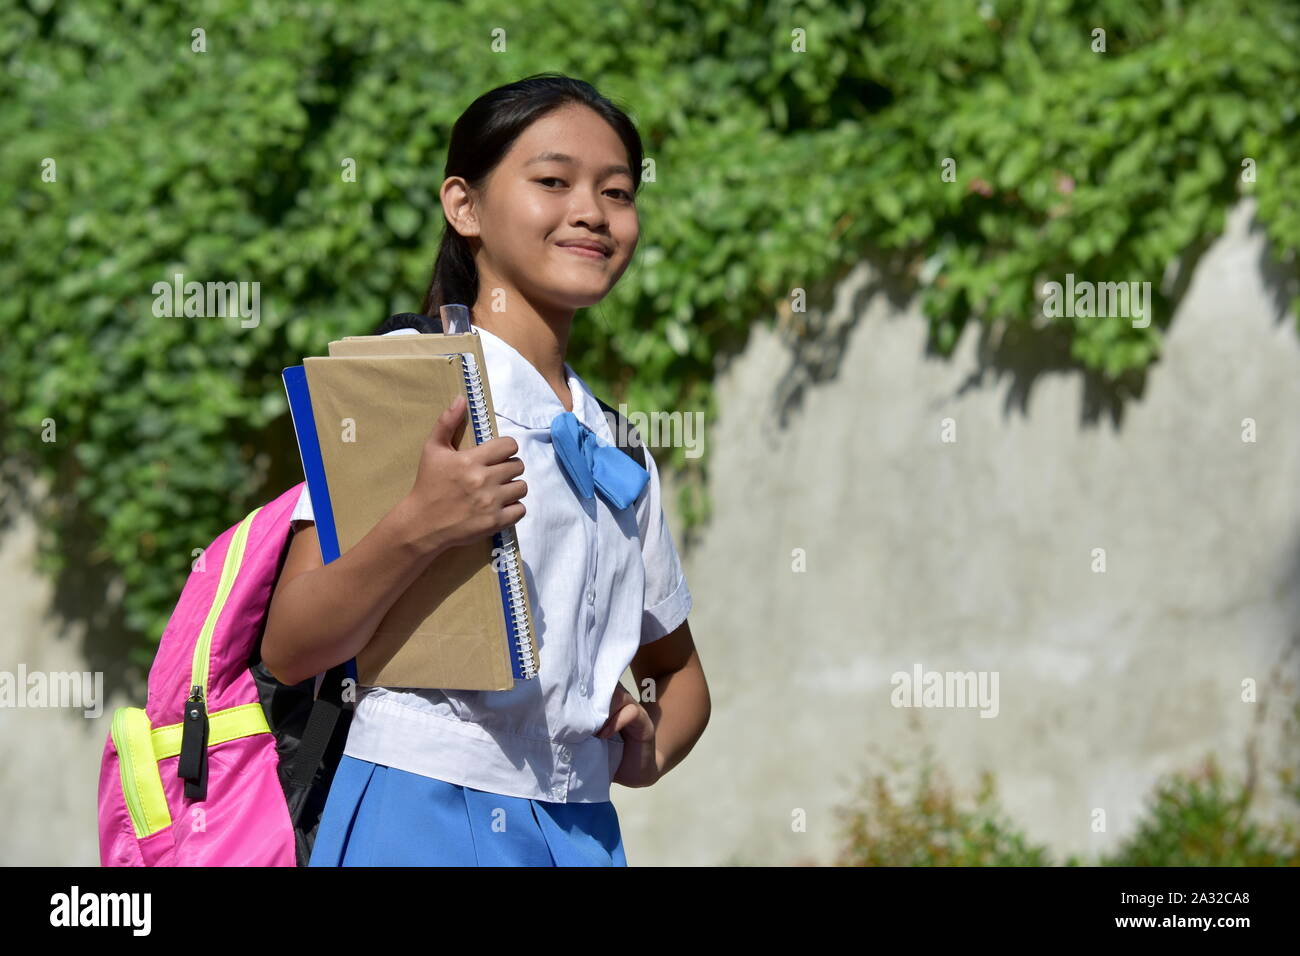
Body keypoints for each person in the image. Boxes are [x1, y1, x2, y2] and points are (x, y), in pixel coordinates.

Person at [261, 73, 711, 866]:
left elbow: (679, 678)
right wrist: (417, 527)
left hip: (582, 834)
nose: (592, 213)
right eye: (552, 181)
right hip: (418, 811)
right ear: (463, 206)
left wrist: (649, 750)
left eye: (617, 192)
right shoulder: (408, 383)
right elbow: (292, 646)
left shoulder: (614, 442)